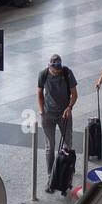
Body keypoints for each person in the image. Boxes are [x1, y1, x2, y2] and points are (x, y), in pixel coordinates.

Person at [36, 54, 77, 193]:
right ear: (49, 66)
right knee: (50, 146)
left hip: (64, 114)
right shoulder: (43, 74)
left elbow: (74, 94)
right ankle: (50, 177)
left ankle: (68, 171)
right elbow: (40, 93)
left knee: (67, 144)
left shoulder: (67, 73)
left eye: (58, 69)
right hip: (48, 114)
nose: (56, 72)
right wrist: (42, 111)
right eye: (54, 69)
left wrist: (69, 107)